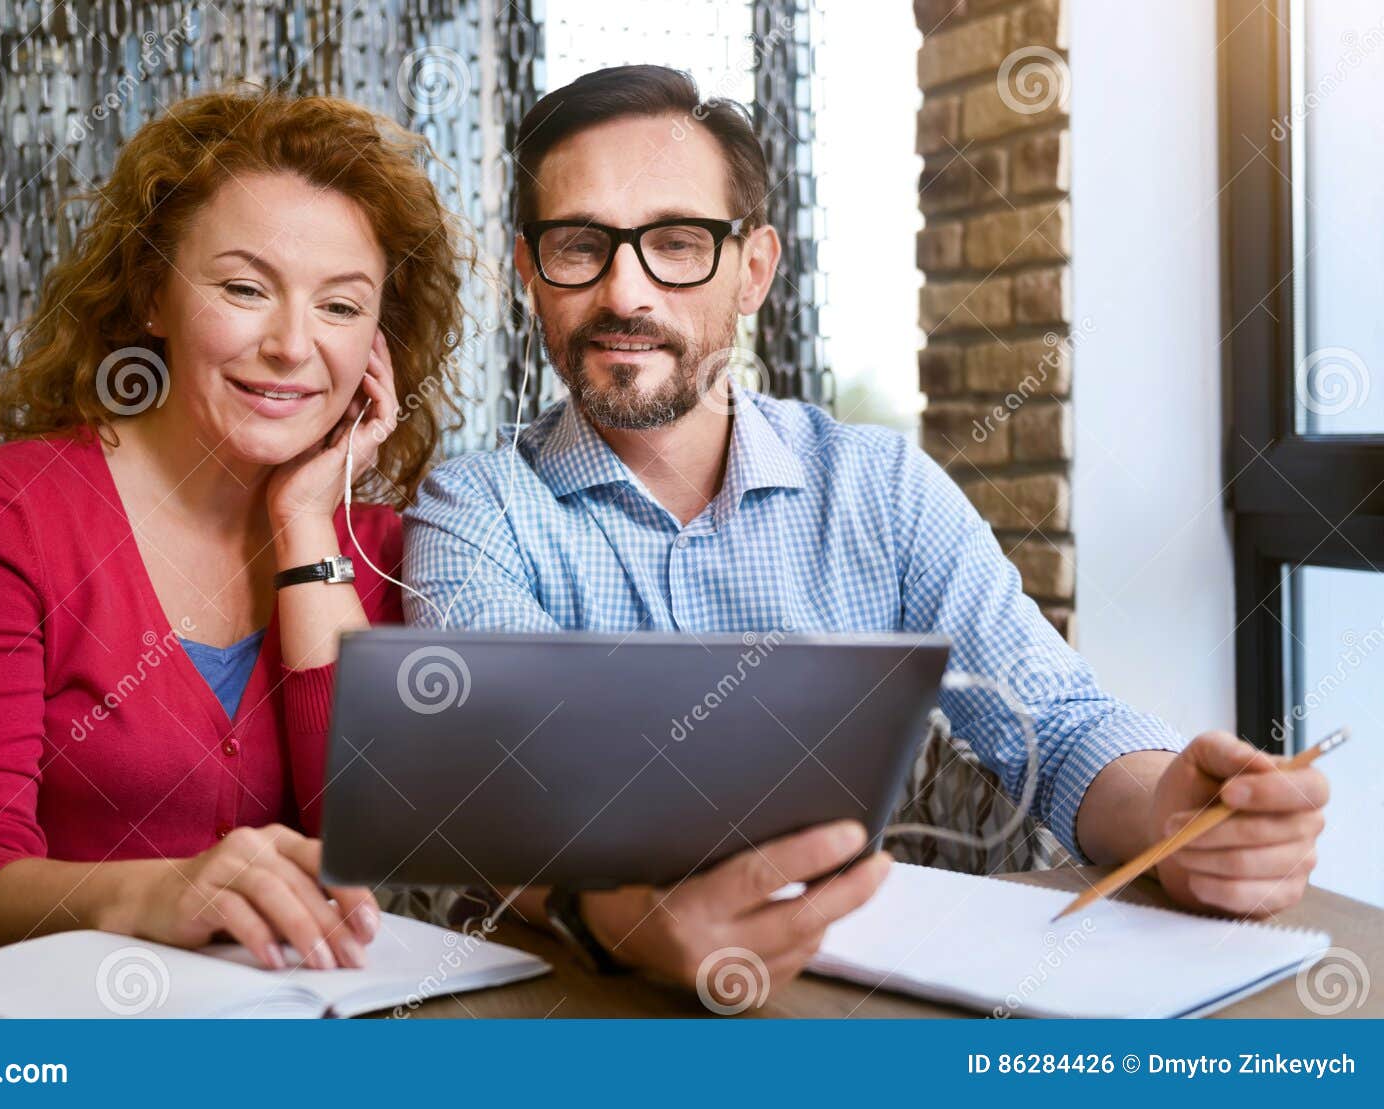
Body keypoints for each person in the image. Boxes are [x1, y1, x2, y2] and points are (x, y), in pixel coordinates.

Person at [403, 65, 1329, 992]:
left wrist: (1174, 813)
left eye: (678, 242)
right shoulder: (473, 511)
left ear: (754, 268)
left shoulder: (879, 490)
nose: (625, 292)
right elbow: (490, 788)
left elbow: (1057, 720)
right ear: (530, 273)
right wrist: (622, 912)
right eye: (579, 246)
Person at [0, 89, 469, 976]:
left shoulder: (385, 548)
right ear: (153, 293)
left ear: (378, 343)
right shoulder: (3, 511)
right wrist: (149, 896)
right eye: (244, 288)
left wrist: (307, 528)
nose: (291, 344)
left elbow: (380, 853)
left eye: (342, 307)